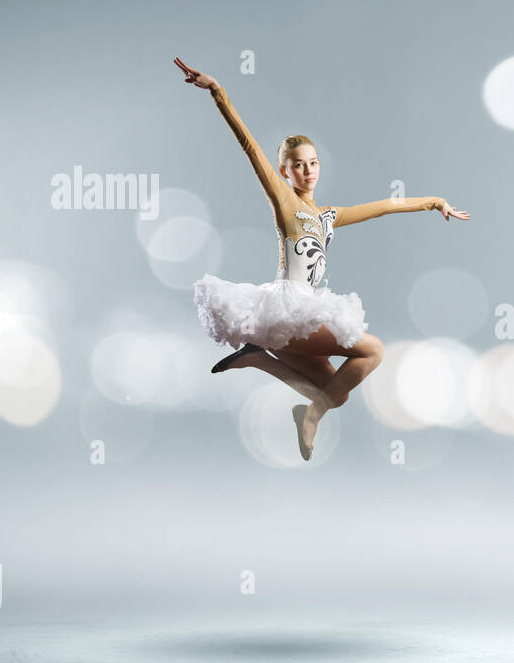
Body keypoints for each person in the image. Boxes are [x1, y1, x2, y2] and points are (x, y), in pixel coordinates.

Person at [174, 57, 470, 460]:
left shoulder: (329, 217)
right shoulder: (283, 200)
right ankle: (311, 414)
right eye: (298, 165)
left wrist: (434, 202)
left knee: (334, 392)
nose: (308, 170)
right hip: (287, 307)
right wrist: (217, 91)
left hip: (300, 313)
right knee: (373, 352)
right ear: (286, 171)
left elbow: (383, 206)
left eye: (313, 163)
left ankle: (260, 361)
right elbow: (249, 146)